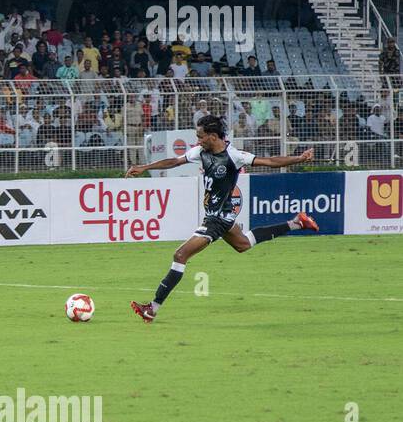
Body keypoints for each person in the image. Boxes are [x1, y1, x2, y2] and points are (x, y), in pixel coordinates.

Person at [125, 115, 319, 323]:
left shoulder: (234, 156)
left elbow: (270, 161)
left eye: (200, 137)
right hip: (221, 214)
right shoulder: (201, 151)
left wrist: (298, 158)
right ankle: (297, 223)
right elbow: (174, 161)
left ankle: (152, 308)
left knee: (180, 255)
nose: (197, 141)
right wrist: (145, 168)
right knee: (243, 244)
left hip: (218, 219)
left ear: (213, 136)